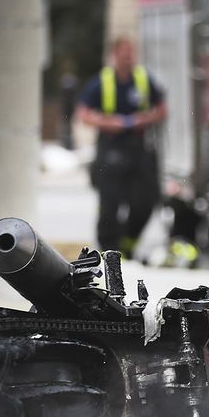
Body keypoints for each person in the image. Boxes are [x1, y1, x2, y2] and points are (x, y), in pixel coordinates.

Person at [76, 37, 166, 257]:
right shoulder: (102, 82)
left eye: (131, 54)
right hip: (111, 147)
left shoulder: (143, 80)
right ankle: (110, 249)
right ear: (114, 56)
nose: (128, 59)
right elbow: (83, 114)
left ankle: (128, 243)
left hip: (138, 146)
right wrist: (109, 123)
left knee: (145, 200)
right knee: (110, 202)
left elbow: (161, 109)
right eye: (123, 54)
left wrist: (143, 119)